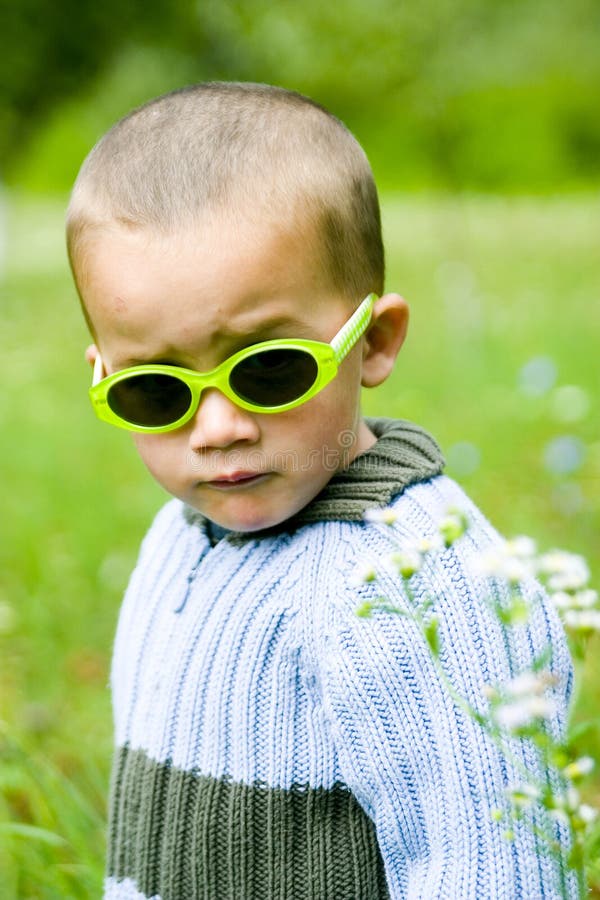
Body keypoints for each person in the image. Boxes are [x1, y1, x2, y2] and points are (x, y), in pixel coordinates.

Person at [66, 82, 574, 899]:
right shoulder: (179, 536)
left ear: (372, 342)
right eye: (156, 393)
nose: (218, 427)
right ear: (104, 375)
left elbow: (493, 864)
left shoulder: (416, 587)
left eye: (269, 370)